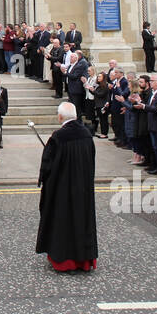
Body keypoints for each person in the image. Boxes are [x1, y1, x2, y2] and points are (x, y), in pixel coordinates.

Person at [36, 101, 98, 272]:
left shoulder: (58, 137)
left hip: (62, 188)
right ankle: (84, 260)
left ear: (60, 116)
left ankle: (64, 260)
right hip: (83, 188)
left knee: (62, 221)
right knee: (81, 220)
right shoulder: (86, 135)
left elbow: (47, 166)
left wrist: (44, 181)